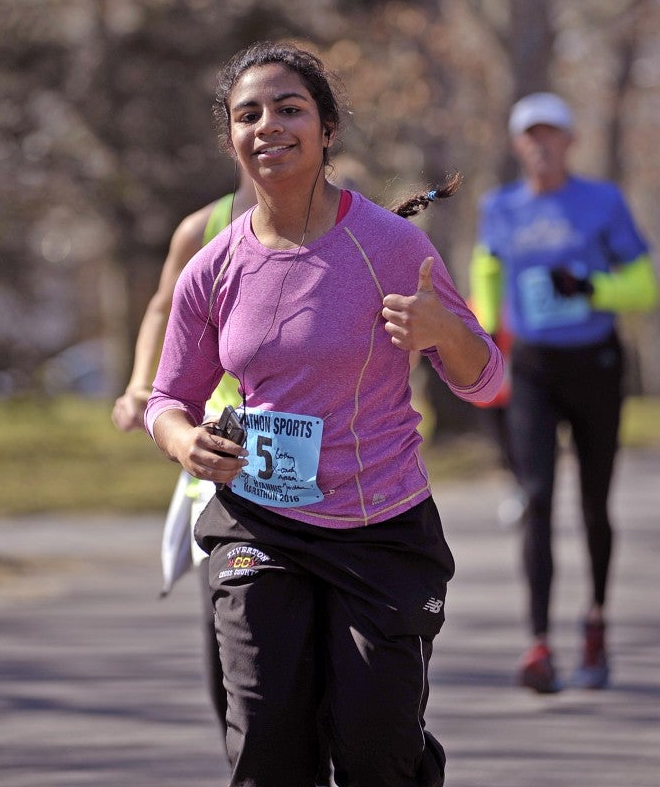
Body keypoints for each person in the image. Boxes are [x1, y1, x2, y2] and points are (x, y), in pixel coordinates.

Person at [145, 41, 504, 787]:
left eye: (290, 108)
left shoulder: (391, 247)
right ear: (231, 138)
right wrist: (183, 443)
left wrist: (444, 332)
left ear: (327, 128)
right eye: (248, 114)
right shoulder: (214, 267)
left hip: (380, 527)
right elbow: (168, 398)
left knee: (376, 755)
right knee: (268, 745)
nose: (268, 126)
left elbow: (486, 382)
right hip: (260, 522)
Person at [470, 92, 658, 694]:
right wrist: (482, 341)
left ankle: (596, 621)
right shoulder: (500, 207)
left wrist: (591, 288)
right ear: (518, 145)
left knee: (594, 503)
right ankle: (540, 644)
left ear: (570, 141)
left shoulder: (602, 202)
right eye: (531, 135)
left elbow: (644, 285)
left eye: (551, 133)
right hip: (533, 367)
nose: (542, 145)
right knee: (538, 499)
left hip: (596, 362)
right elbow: (487, 274)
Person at [112, 170, 257, 746]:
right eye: (247, 124)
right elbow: (162, 307)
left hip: (323, 456)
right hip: (225, 454)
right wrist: (139, 386)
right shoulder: (203, 229)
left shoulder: (345, 222)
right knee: (230, 624)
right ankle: (247, 757)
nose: (267, 134)